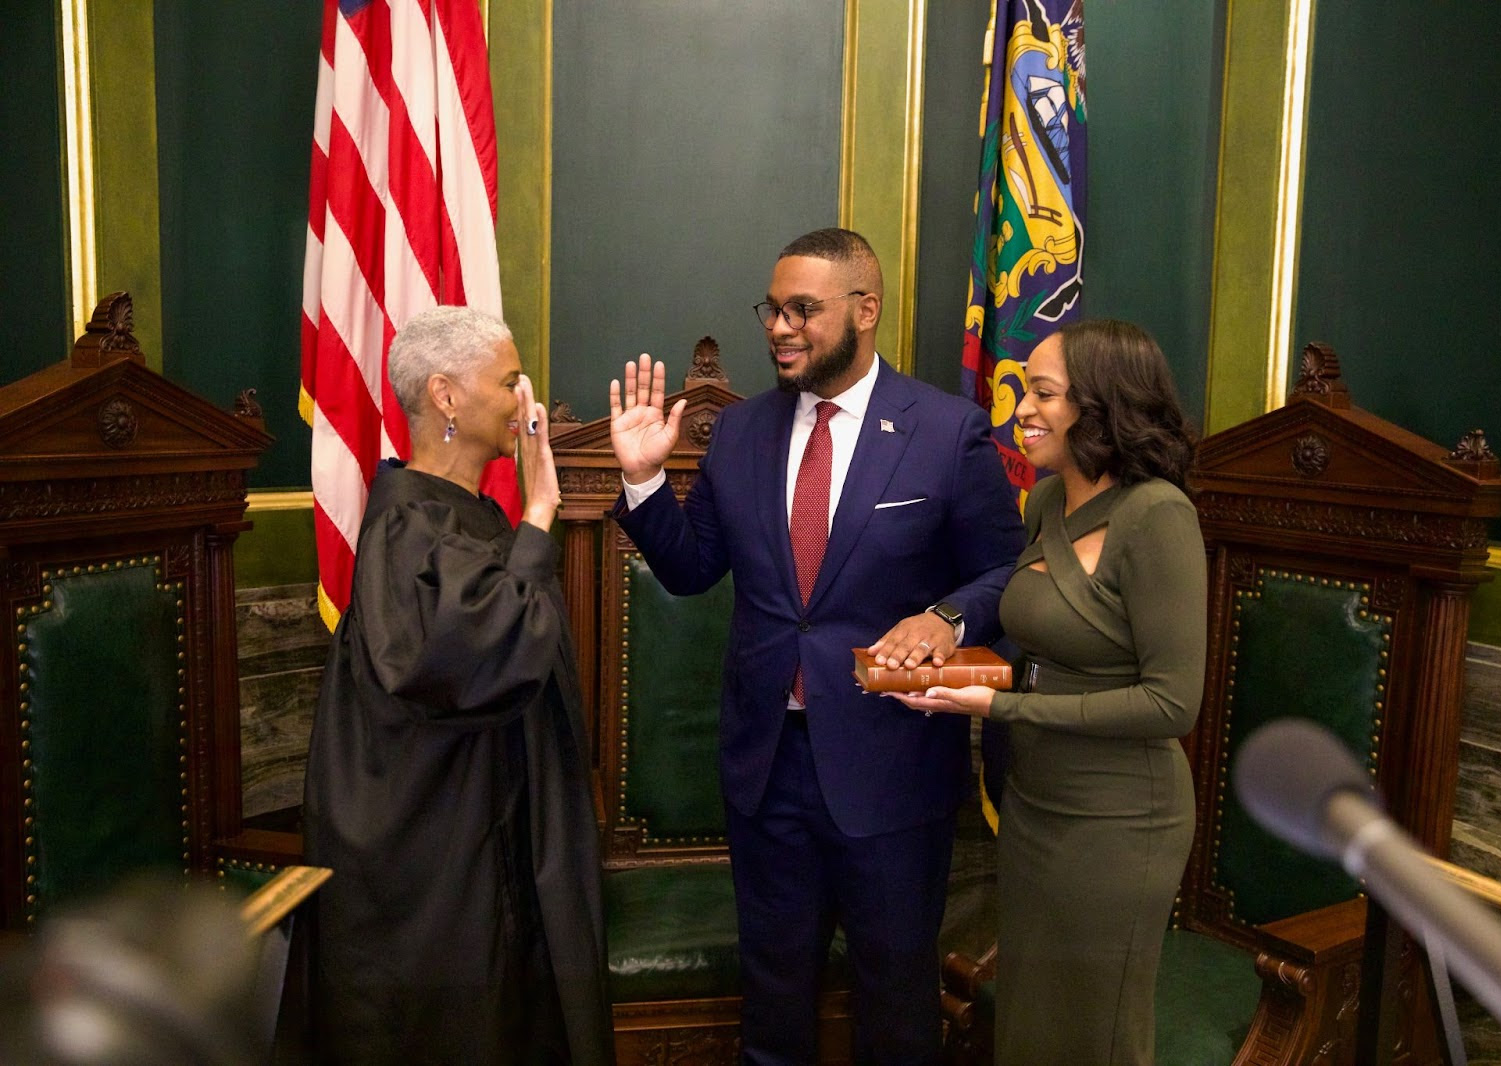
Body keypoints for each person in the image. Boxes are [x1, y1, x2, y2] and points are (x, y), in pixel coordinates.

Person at [607, 228, 1024, 1064]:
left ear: (864, 310)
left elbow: (1008, 571)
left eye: (804, 309)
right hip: (769, 769)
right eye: (773, 309)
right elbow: (691, 572)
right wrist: (645, 479)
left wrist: (947, 616)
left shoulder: (945, 431)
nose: (780, 327)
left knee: (896, 1005)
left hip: (892, 766)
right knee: (774, 1000)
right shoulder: (743, 433)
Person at [302, 307, 612, 1066]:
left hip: (480, 829)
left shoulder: (464, 514)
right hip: (428, 853)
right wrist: (541, 511)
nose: (525, 403)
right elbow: (482, 656)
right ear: (445, 396)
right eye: (510, 382)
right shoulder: (410, 528)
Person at [891, 319, 1206, 1066]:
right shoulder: (1042, 504)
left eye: (1042, 393)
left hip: (1119, 822)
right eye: (1022, 391)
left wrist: (996, 706)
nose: (1020, 410)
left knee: (1094, 1036)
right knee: (1031, 1029)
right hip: (1034, 805)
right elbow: (1043, 652)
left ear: (1101, 406)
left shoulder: (1159, 515)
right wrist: (949, 669)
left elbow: (1171, 704)